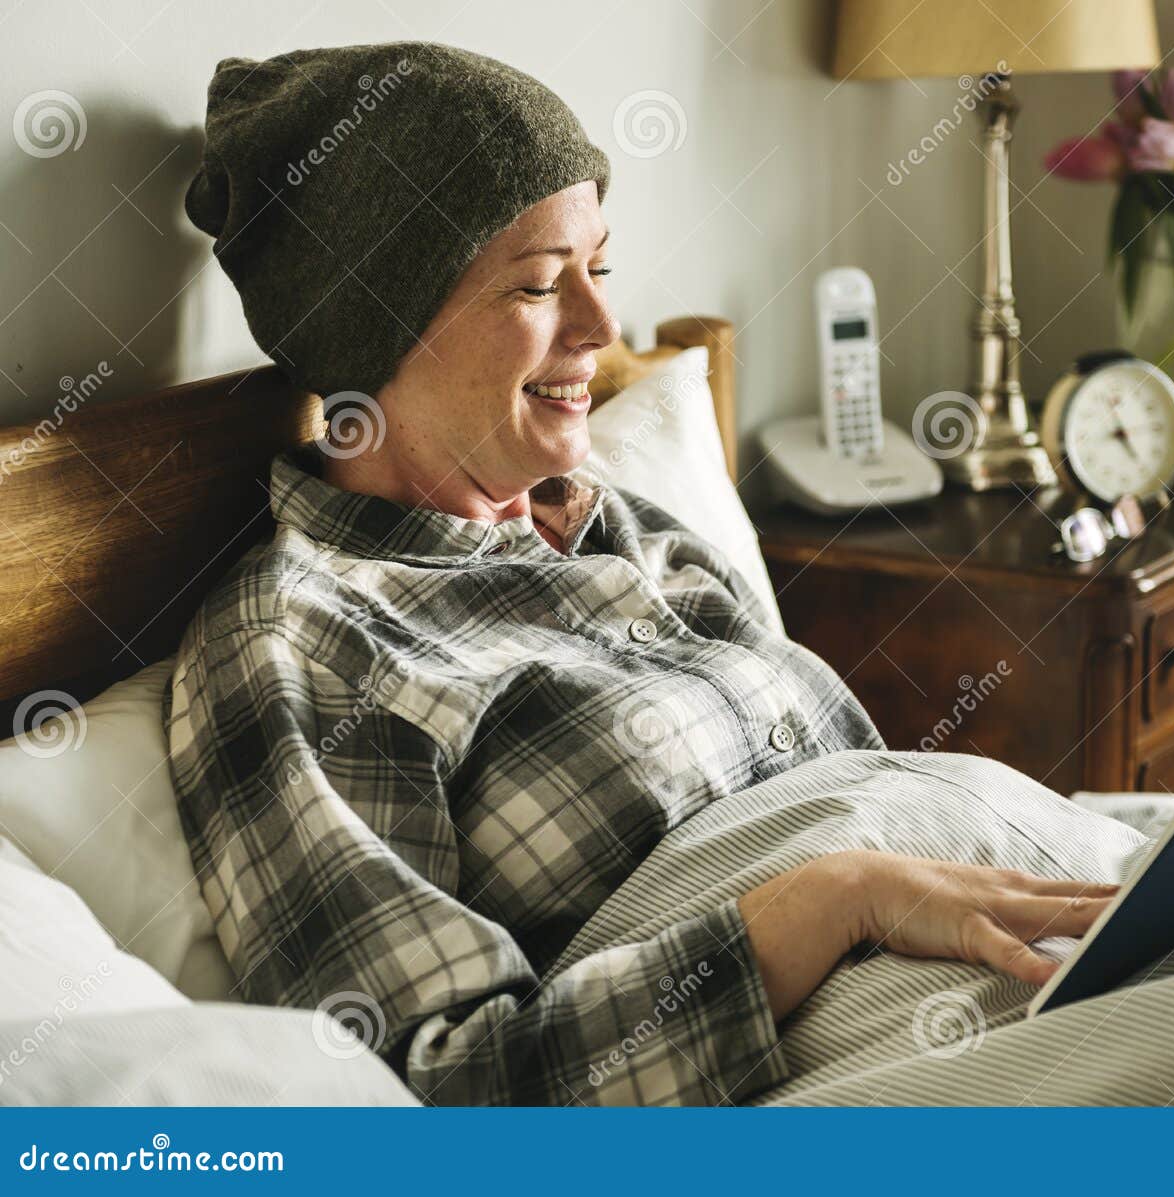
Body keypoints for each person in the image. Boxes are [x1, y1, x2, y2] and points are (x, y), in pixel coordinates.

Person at [169, 40, 1113, 1106]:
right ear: (376, 331)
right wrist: (829, 902)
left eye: (599, 269)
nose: (601, 328)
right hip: (936, 1058)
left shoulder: (624, 526)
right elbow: (440, 1102)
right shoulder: (300, 640)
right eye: (538, 284)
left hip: (1066, 908)